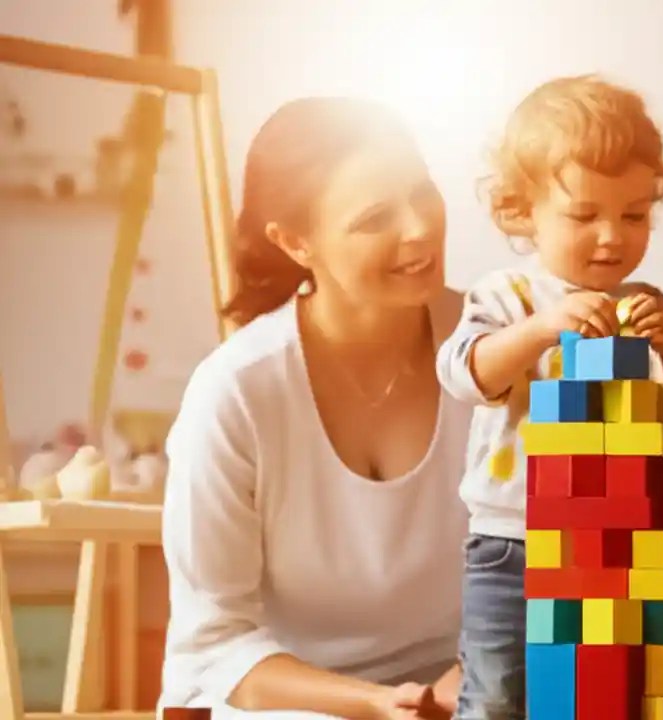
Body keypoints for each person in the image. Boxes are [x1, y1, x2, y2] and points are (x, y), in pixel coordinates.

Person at [160, 97, 470, 720]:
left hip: (468, 686)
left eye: (422, 191)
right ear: (295, 242)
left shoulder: (496, 353)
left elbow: (548, 566)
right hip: (288, 703)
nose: (418, 228)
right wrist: (381, 705)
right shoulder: (237, 392)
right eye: (375, 216)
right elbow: (214, 641)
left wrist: (458, 689)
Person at [435, 74, 663, 718]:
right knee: (497, 697)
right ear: (521, 211)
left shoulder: (646, 308)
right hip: (512, 544)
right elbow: (464, 373)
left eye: (634, 215)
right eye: (583, 214)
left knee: (613, 699)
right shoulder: (507, 296)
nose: (611, 236)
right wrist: (541, 328)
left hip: (620, 545)